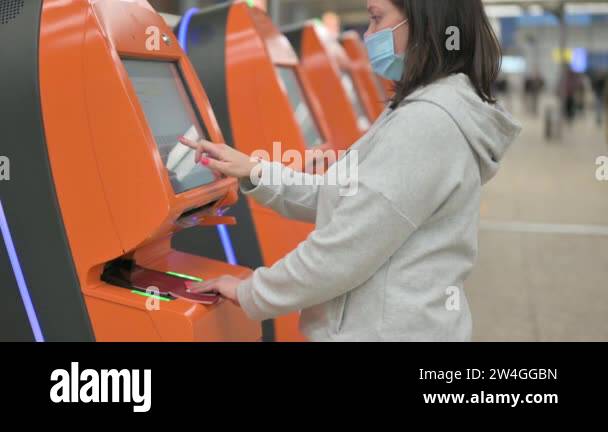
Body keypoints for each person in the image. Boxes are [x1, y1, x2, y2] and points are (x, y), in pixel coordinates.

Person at [181, 0, 521, 341]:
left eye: (376, 18)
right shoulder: (421, 109)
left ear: (425, 22)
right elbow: (346, 196)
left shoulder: (427, 124)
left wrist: (249, 291)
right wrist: (253, 171)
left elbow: (342, 251)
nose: (368, 34)